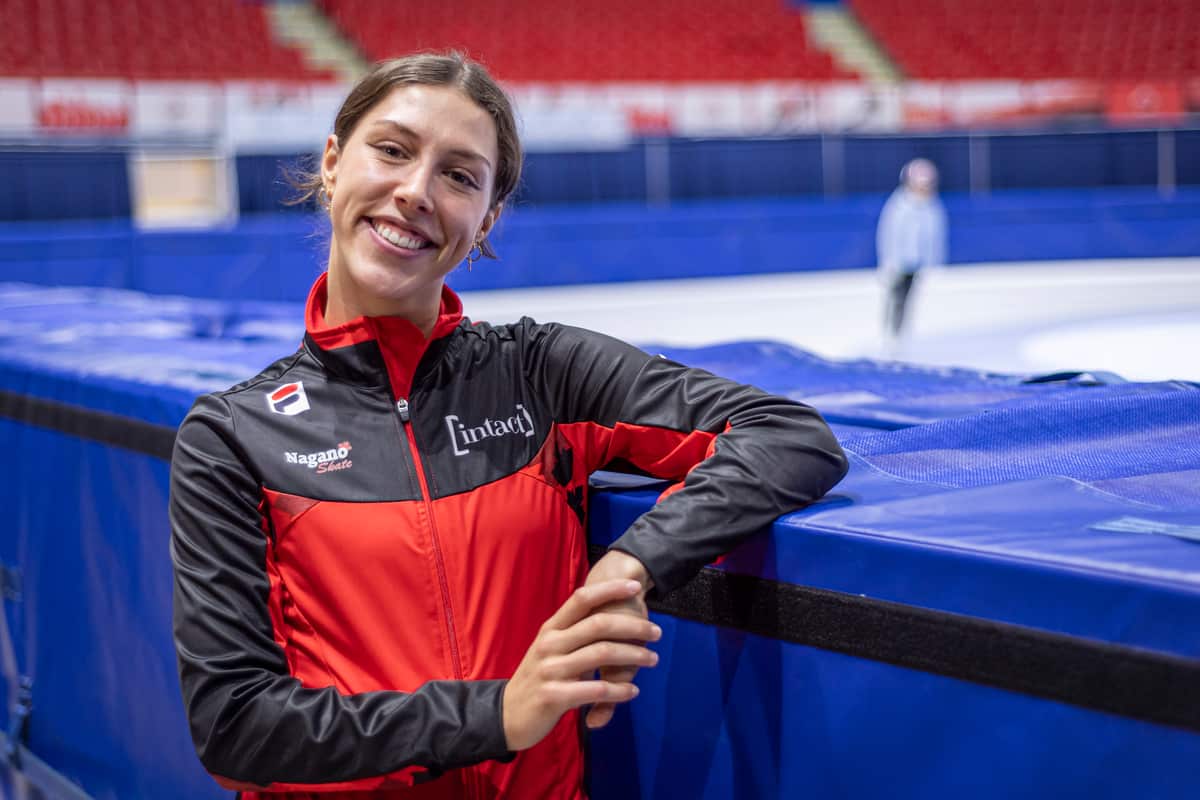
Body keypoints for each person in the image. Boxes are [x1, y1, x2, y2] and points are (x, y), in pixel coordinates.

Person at [169, 52, 848, 800]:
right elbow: (234, 726)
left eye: (460, 176)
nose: (415, 192)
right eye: (392, 150)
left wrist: (630, 566)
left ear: (487, 218)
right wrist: (494, 715)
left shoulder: (541, 373)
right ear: (333, 164)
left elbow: (787, 435)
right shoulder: (233, 434)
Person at [875, 157, 948, 353]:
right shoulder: (899, 206)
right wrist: (888, 262)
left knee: (907, 297)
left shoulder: (932, 207)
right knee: (895, 297)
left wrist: (933, 261)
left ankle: (901, 332)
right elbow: (888, 235)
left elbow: (935, 237)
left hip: (915, 264)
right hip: (898, 263)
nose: (924, 188)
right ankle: (890, 334)